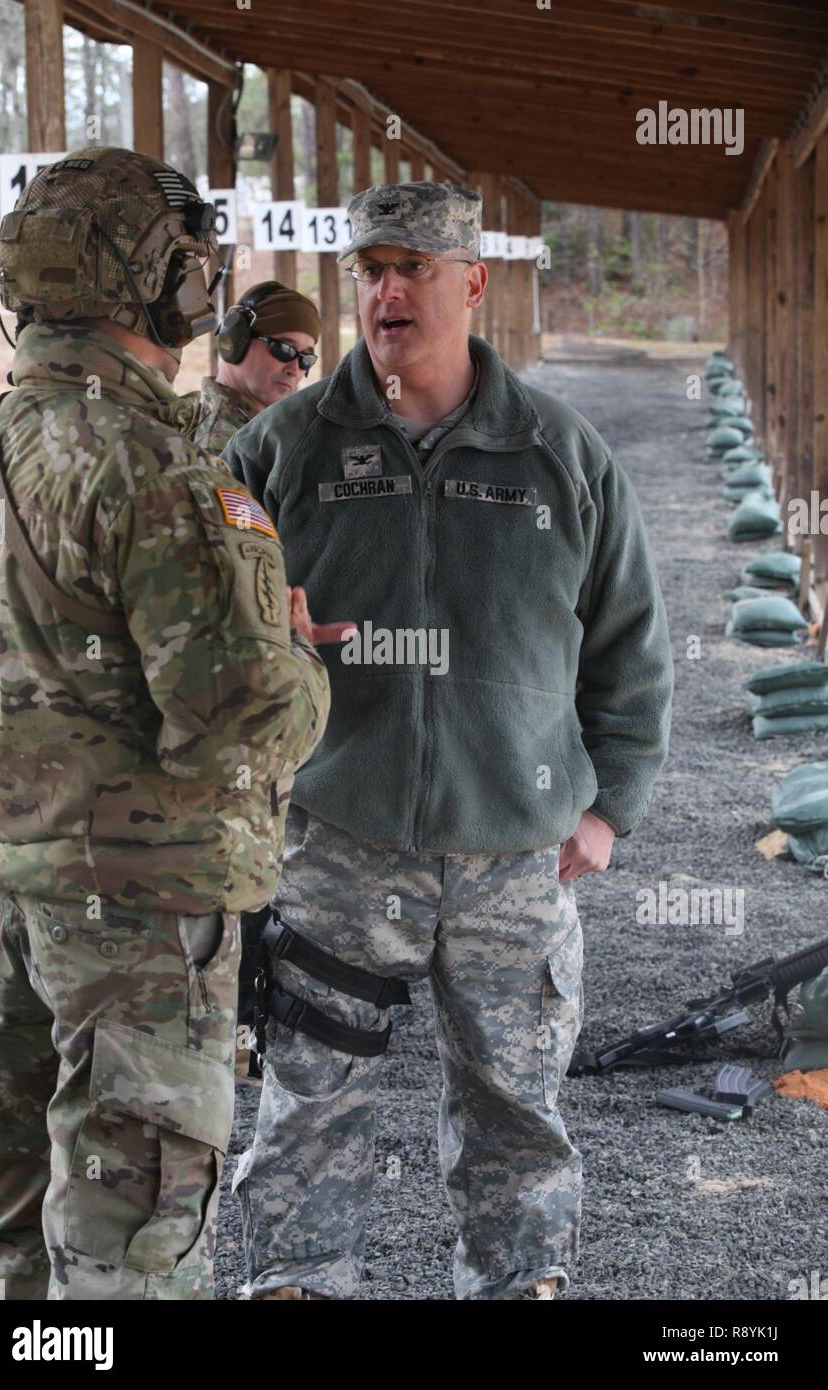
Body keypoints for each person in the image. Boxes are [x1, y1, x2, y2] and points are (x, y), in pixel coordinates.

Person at [223, 180, 674, 1302]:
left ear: (470, 283)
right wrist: (261, 642)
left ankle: (518, 1284)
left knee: (513, 1105)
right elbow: (200, 652)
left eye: (411, 267)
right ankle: (293, 1283)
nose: (385, 292)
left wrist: (611, 802)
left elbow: (629, 642)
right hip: (335, 838)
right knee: (308, 1099)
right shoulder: (276, 453)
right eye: (368, 268)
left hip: (512, 856)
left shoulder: (557, 454)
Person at [0, 146, 336, 1301]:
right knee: (132, 1247)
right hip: (142, 918)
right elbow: (234, 717)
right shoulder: (167, 471)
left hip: (19, 899)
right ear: (167, 284)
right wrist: (303, 664)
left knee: (16, 1222)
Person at [176, 281, 321, 454]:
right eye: (283, 349)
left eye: (306, 359)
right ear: (236, 341)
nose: (295, 369)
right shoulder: (226, 445)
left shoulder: (266, 429)